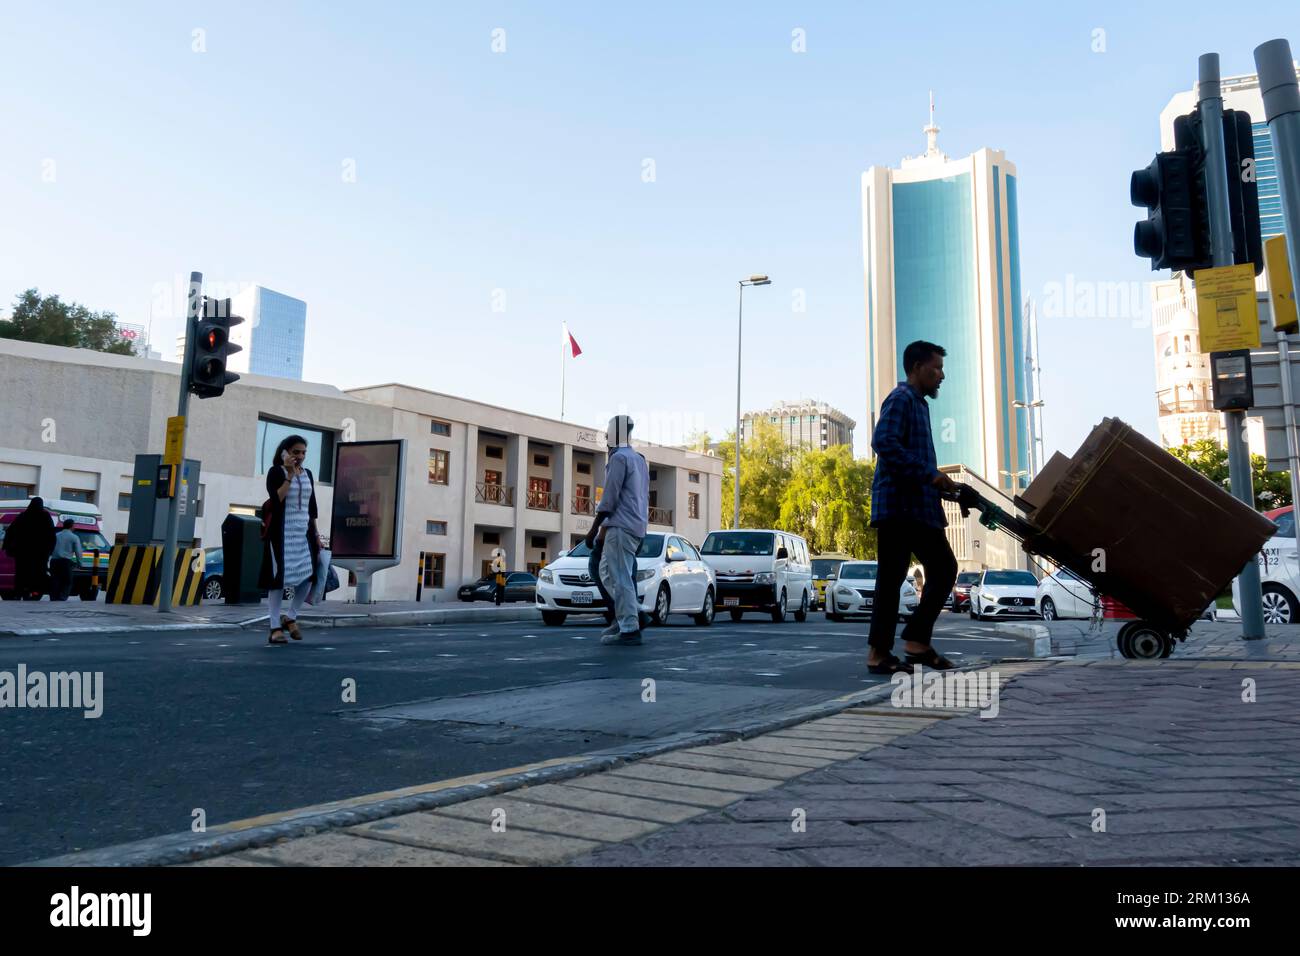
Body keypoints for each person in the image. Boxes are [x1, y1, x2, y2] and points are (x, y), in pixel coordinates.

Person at [866, 340, 962, 675]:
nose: (941, 375)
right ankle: (908, 645)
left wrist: (938, 482)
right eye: (936, 368)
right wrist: (929, 475)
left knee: (899, 579)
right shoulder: (902, 397)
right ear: (917, 367)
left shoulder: (920, 404)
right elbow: (883, 442)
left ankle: (900, 647)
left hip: (917, 507)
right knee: (934, 569)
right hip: (899, 507)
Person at [584, 414, 649, 646]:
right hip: (634, 525)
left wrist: (592, 532)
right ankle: (632, 614)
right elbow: (640, 496)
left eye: (608, 431)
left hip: (621, 527)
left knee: (620, 578)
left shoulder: (619, 458)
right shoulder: (638, 458)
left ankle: (630, 628)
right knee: (607, 573)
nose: (605, 435)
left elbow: (609, 499)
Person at [259, 435, 321, 644]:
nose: (301, 456)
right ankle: (275, 626)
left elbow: (311, 507)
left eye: (304, 452)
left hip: (303, 534)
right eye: (296, 452)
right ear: (285, 452)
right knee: (278, 580)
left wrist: (316, 534)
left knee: (308, 576)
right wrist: (289, 474)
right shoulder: (276, 472)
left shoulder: (308, 474)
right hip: (281, 534)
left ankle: (291, 616)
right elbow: (277, 499)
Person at [2, 498, 55, 600]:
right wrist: (49, 550)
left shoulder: (22, 516)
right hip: (39, 553)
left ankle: (20, 593)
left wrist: (8, 547)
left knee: (21, 572)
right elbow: (51, 535)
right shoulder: (45, 516)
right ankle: (35, 593)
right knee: (37, 573)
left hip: (22, 552)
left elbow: (10, 532)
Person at [50, 518, 81, 601]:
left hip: (54, 561)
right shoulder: (74, 537)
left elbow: (50, 548)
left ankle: (53, 597)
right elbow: (78, 551)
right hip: (65, 562)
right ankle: (62, 597)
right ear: (71, 526)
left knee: (55, 580)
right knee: (68, 581)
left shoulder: (56, 535)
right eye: (74, 525)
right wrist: (79, 563)